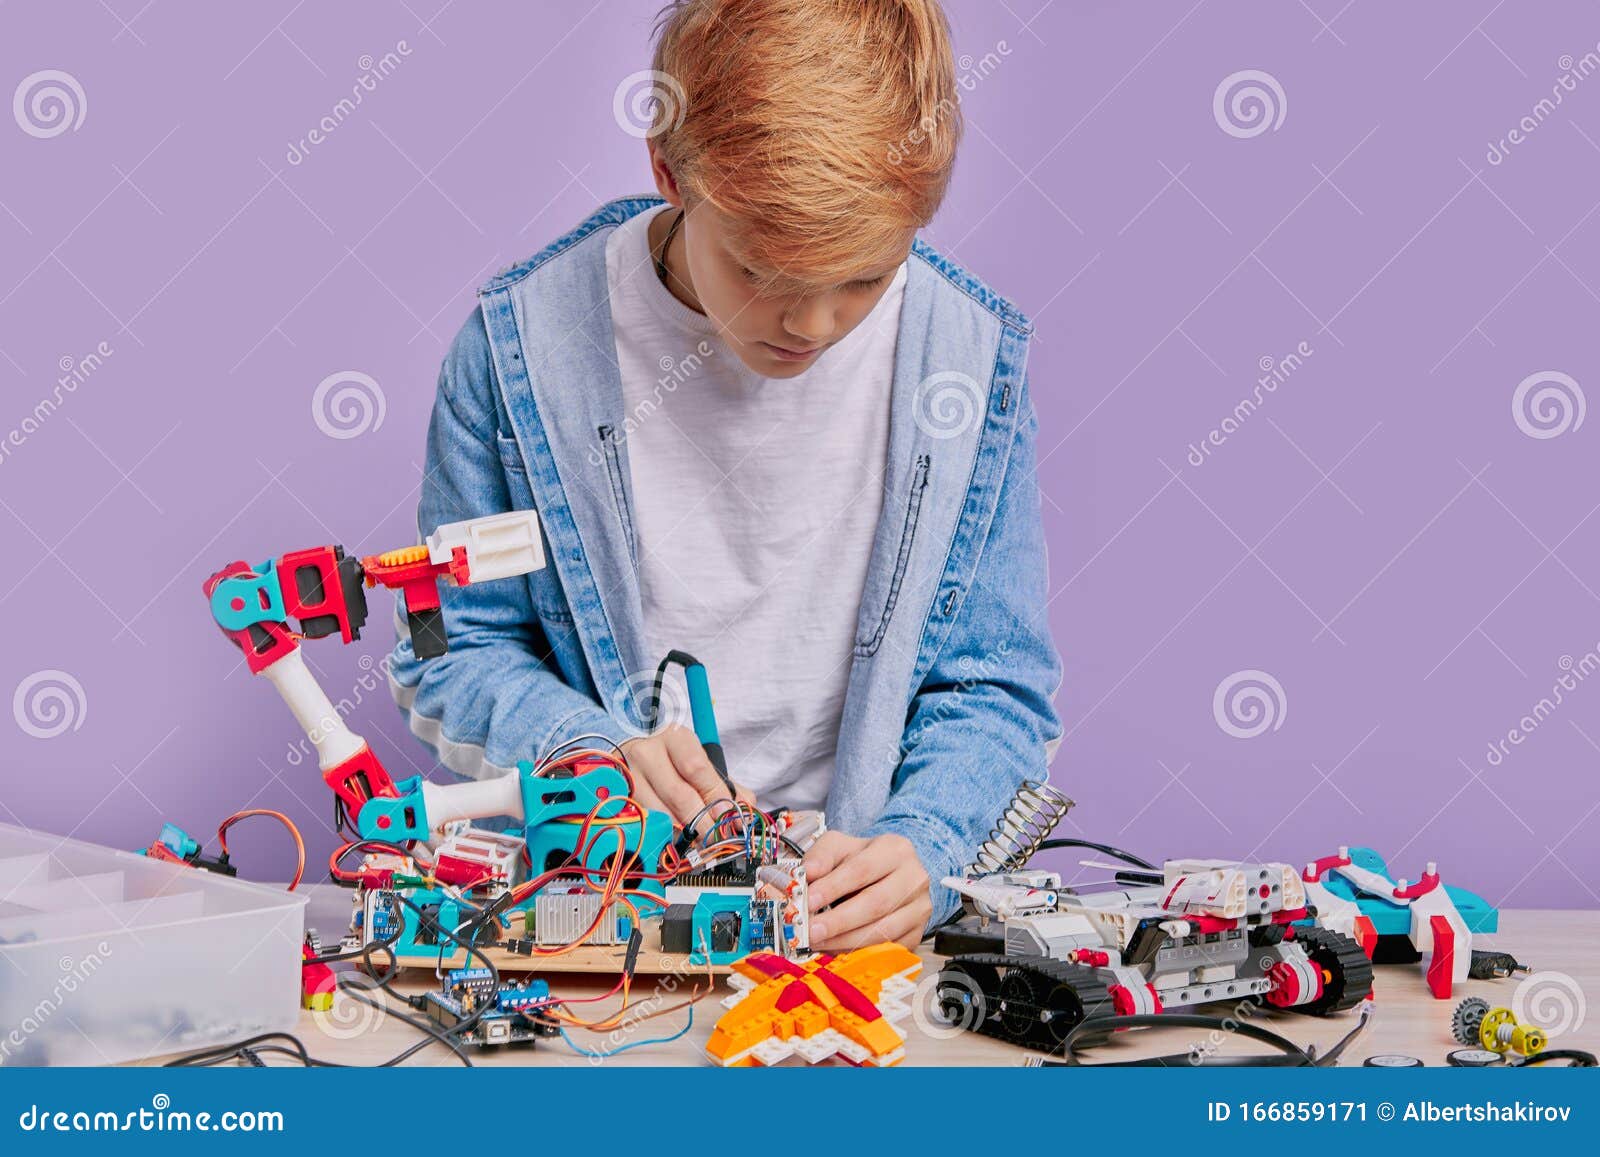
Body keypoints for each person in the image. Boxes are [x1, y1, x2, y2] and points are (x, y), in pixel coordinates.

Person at [389, 0, 1061, 949]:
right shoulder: (517, 353)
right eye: (764, 272)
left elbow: (995, 687)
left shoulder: (965, 363)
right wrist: (585, 753)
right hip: (623, 922)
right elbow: (452, 649)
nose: (814, 327)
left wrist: (927, 848)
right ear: (668, 172)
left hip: (856, 944)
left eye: (865, 278)